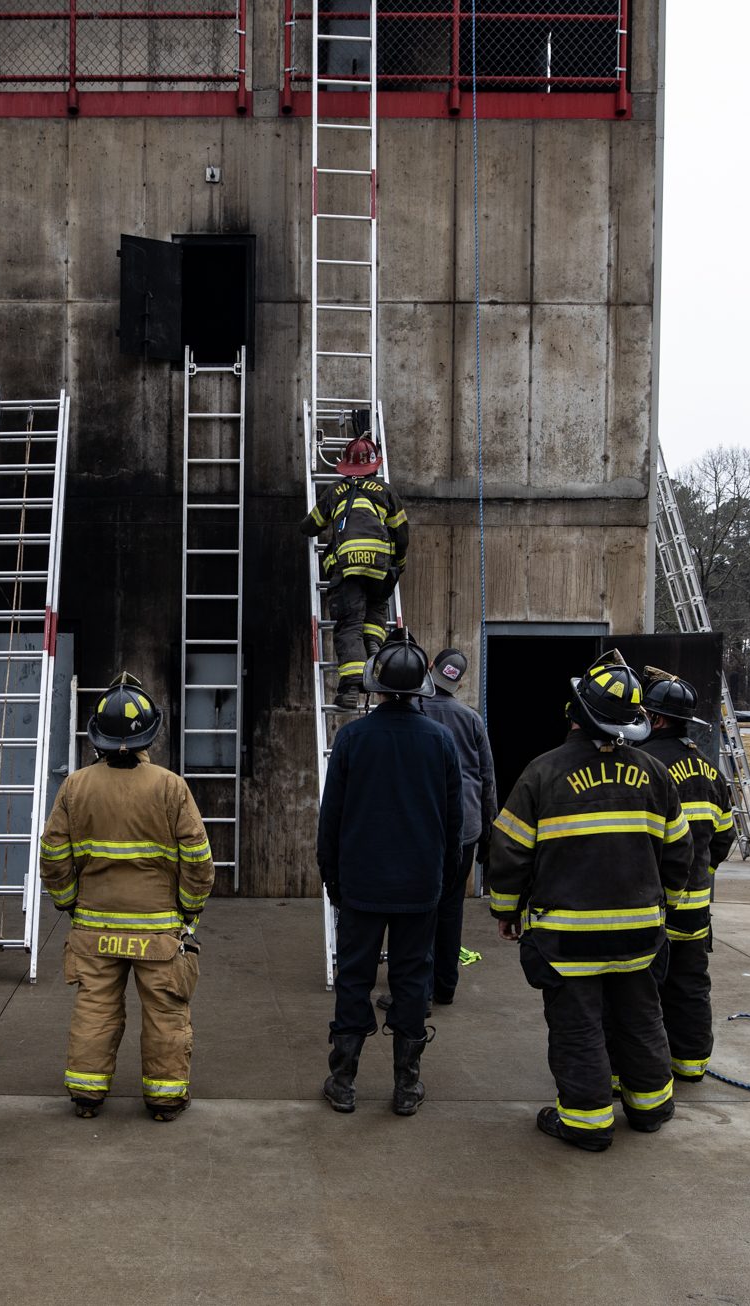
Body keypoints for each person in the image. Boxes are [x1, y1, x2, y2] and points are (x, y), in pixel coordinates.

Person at [488, 650, 692, 1151]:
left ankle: (587, 1122)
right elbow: (679, 850)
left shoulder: (541, 774)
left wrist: (506, 912)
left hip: (568, 939)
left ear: (574, 713)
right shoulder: (654, 773)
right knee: (641, 1018)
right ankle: (650, 1108)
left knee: (578, 1025)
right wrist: (664, 904)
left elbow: (509, 851)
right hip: (641, 934)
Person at [39, 673, 214, 1121]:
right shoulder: (170, 787)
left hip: (94, 927)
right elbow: (198, 860)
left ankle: (87, 1095)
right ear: (148, 734)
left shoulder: (75, 787)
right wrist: (189, 909)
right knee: (166, 1012)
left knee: (95, 1008)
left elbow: (54, 856)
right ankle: (165, 1098)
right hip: (158, 929)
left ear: (97, 736)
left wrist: (68, 902)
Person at [317, 629, 462, 1116]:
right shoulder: (441, 741)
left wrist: (332, 878)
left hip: (360, 884)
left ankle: (343, 1081)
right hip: (420, 886)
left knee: (355, 978)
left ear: (375, 686)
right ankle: (406, 1086)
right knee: (411, 979)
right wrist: (445, 880)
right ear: (422, 685)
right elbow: (453, 821)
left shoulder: (353, 738)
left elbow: (330, 818)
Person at [627, 668, 736, 1082]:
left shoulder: (646, 766)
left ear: (656, 719)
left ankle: (634, 1072)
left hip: (651, 902)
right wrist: (701, 875)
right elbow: (723, 838)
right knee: (690, 984)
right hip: (694, 906)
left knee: (640, 992)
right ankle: (691, 1065)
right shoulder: (711, 771)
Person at [377, 647, 497, 1015]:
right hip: (467, 828)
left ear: (431, 670)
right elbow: (487, 779)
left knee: (419, 910)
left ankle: (419, 991)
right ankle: (445, 986)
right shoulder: (471, 719)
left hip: (425, 827)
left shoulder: (416, 712)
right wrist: (489, 834)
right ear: (458, 680)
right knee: (450, 908)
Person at [299, 434, 409, 711]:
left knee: (349, 625)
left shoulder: (336, 491)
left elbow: (309, 526)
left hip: (348, 569)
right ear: (373, 465)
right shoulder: (385, 491)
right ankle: (373, 648)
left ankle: (350, 688)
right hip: (380, 569)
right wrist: (399, 565)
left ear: (347, 466)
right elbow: (402, 533)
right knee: (374, 613)